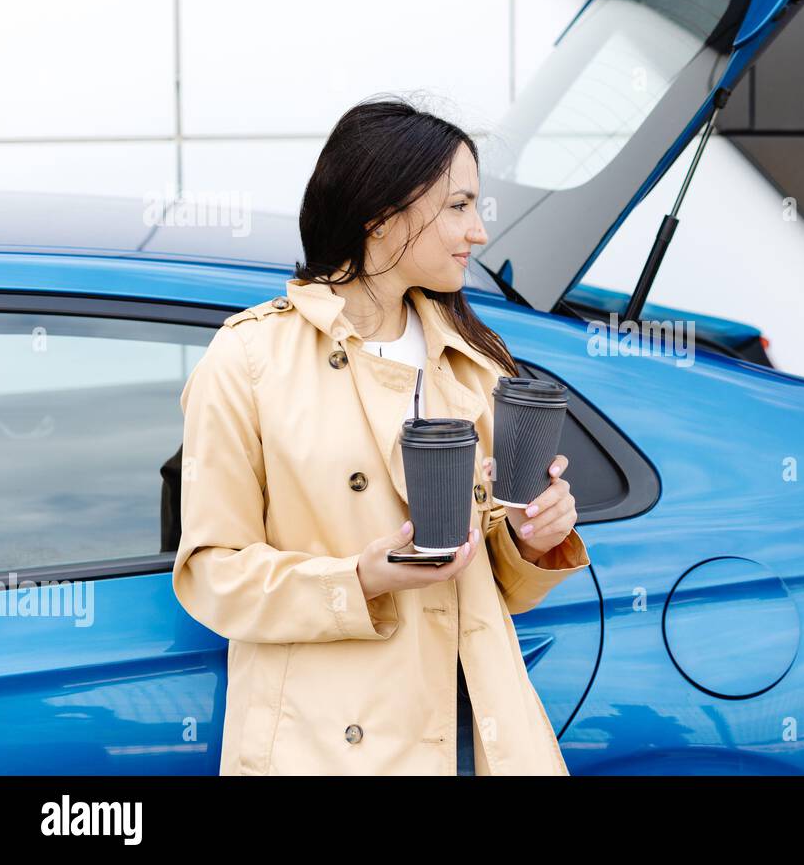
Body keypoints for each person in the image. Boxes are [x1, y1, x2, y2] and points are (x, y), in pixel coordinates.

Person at [172, 95, 590, 775]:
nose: (478, 231)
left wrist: (529, 538)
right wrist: (357, 580)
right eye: (458, 205)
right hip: (329, 745)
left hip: (473, 736)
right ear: (381, 216)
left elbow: (486, 584)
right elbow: (213, 574)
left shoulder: (473, 362)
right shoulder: (250, 359)